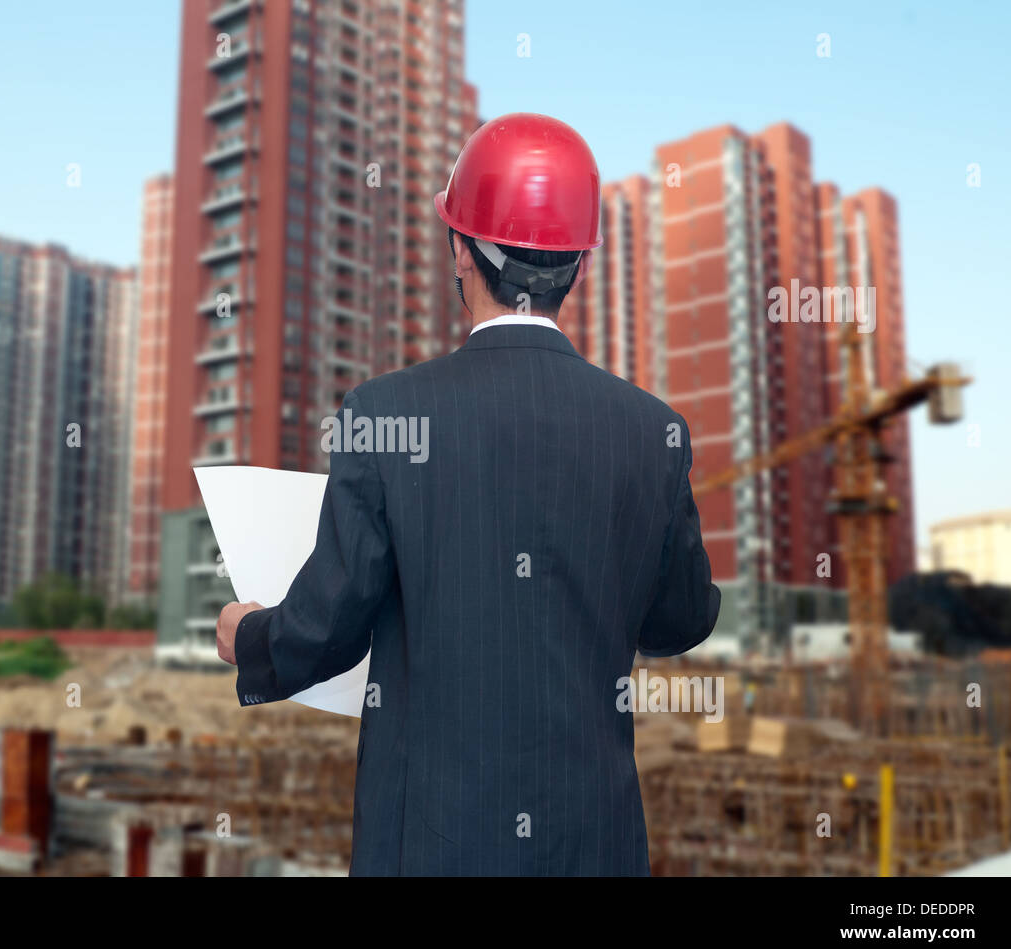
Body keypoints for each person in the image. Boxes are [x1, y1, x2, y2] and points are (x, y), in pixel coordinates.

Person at [216, 113, 720, 876]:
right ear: (579, 264)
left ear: (460, 247)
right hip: (595, 848)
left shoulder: (384, 415)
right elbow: (682, 618)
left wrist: (249, 637)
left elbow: (329, 628)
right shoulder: (655, 433)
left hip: (430, 847)